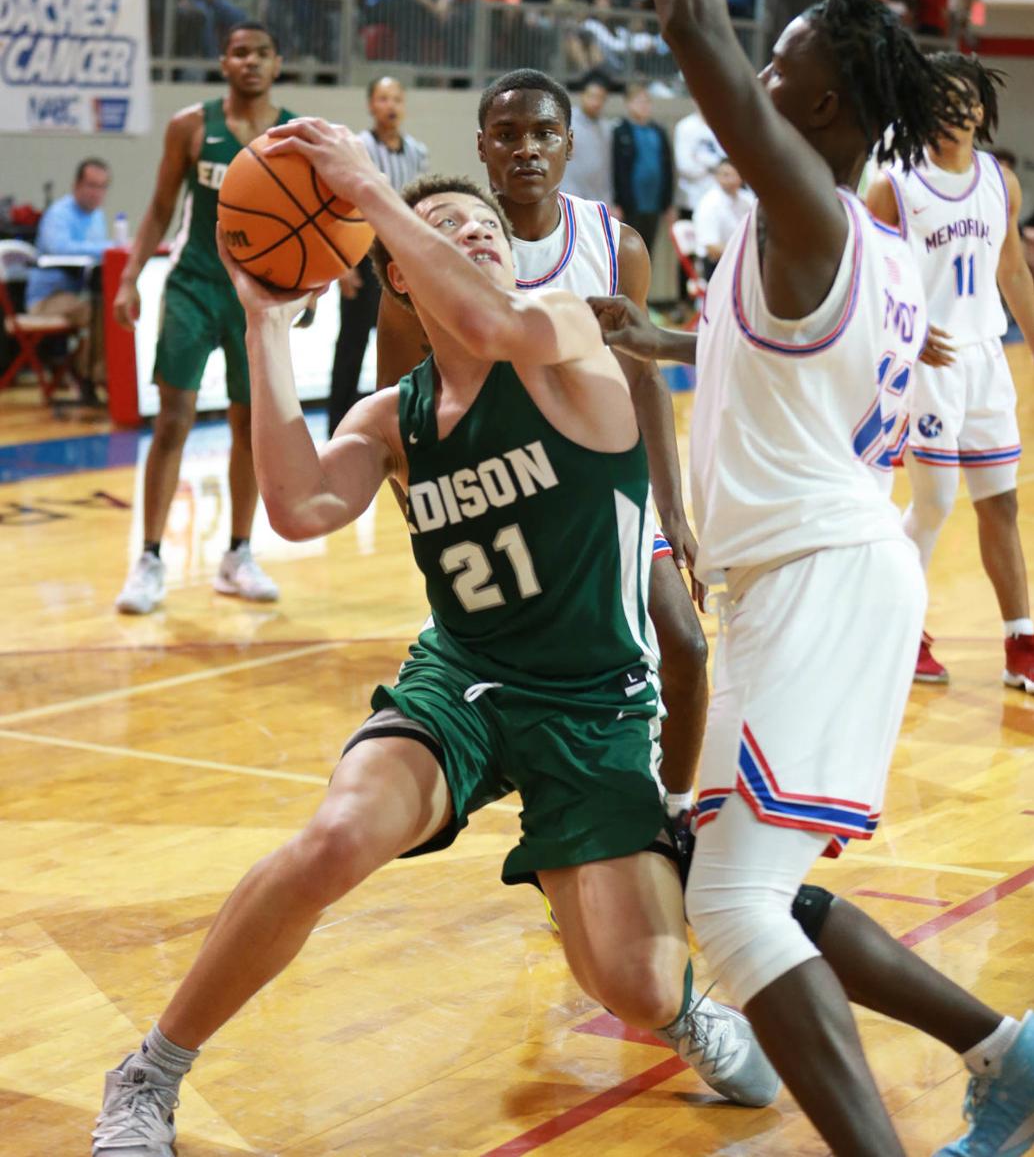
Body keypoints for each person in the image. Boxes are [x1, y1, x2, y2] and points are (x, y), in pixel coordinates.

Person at [92, 145, 781, 1156]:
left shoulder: (566, 337)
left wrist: (369, 189)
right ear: (399, 272)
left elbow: (493, 320)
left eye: (488, 230)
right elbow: (296, 504)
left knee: (630, 982)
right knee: (337, 835)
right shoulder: (395, 415)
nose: (476, 233)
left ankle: (680, 1009)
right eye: (450, 228)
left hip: (596, 702)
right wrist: (264, 322)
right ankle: (150, 1067)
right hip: (462, 680)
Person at [586, 0, 1034, 1157]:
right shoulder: (861, 251)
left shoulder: (811, 209)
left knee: (724, 907)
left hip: (816, 580)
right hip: (818, 572)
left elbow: (683, 23)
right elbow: (773, 366)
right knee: (745, 882)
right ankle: (1002, 1049)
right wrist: (655, 340)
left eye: (775, 70)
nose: (750, 82)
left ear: (824, 106)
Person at [375, 70, 710, 816]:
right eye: (507, 135)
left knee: (683, 645)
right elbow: (399, 401)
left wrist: (672, 506)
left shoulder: (613, 243)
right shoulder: (438, 252)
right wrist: (426, 510)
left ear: (566, 146)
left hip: (603, 491)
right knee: (542, 677)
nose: (525, 149)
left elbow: (645, 378)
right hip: (501, 500)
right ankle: (575, 824)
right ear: (482, 149)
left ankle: (676, 810)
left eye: (542, 134)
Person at [867, 53, 1034, 691]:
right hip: (925, 364)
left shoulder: (1000, 181)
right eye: (939, 101)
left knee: (1002, 501)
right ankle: (900, 626)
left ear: (982, 111)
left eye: (964, 102)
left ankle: (1022, 638)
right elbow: (870, 278)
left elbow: (1012, 270)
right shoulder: (895, 185)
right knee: (935, 505)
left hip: (986, 358)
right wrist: (903, 337)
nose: (954, 113)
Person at [112, 25, 291, 616]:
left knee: (248, 429)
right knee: (172, 421)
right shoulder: (190, 125)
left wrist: (305, 294)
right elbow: (162, 206)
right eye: (240, 52)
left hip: (254, 296)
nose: (251, 62)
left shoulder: (293, 135)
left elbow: (310, 225)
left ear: (277, 64)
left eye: (262, 53)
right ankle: (150, 558)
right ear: (223, 62)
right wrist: (131, 275)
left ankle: (238, 553)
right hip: (192, 284)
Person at [327, 76, 428, 434]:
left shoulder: (417, 151)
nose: (391, 106)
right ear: (371, 105)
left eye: (397, 98)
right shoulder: (358, 147)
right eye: (383, 98)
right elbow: (339, 207)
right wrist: (341, 263)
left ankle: (400, 424)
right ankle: (338, 430)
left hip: (403, 262)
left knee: (404, 343)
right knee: (352, 346)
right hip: (363, 257)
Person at [25, 158, 111, 402]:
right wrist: (109, 248)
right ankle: (91, 378)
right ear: (76, 185)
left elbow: (93, 253)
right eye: (91, 185)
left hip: (76, 296)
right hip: (46, 300)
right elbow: (60, 248)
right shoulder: (58, 214)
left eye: (102, 187)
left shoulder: (97, 217)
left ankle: (91, 375)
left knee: (106, 308)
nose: (97, 193)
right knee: (97, 311)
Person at [611, 83, 674, 260]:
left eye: (647, 101)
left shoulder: (658, 131)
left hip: (654, 203)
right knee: (628, 251)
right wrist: (617, 201)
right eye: (639, 101)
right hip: (631, 203)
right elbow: (616, 169)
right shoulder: (620, 131)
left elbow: (668, 168)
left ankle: (643, 287)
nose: (644, 106)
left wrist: (668, 202)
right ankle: (625, 288)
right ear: (628, 104)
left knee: (648, 251)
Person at [691, 156, 751, 278]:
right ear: (716, 177)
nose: (731, 179)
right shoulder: (709, 203)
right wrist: (743, 255)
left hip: (742, 259)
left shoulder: (748, 200)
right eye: (726, 175)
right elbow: (712, 248)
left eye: (735, 174)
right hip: (715, 264)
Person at [567, 72, 616, 205]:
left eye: (601, 98)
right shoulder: (567, 123)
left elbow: (607, 168)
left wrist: (609, 200)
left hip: (597, 200)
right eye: (592, 96)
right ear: (582, 95)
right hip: (570, 196)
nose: (596, 102)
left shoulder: (607, 129)